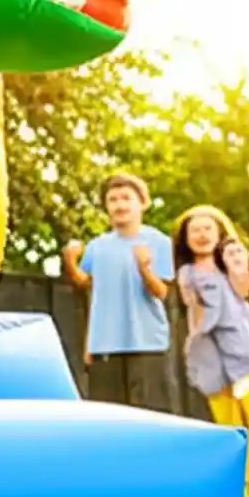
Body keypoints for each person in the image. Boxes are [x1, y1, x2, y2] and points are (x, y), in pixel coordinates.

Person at [173, 206, 249, 497]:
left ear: (221, 232)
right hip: (209, 348)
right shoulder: (187, 273)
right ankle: (233, 477)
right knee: (226, 417)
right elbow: (193, 309)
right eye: (195, 230)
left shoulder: (230, 263)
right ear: (185, 239)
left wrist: (237, 267)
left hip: (240, 346)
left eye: (208, 228)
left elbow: (244, 291)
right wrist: (194, 342)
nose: (202, 235)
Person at [62, 172, 175, 411]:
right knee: (110, 417)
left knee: (150, 415)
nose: (120, 205)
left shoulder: (159, 242)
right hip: (104, 345)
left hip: (147, 344)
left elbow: (162, 292)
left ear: (142, 203)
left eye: (126, 198)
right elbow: (87, 285)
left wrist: (145, 269)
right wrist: (70, 261)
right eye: (113, 200)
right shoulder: (97, 246)